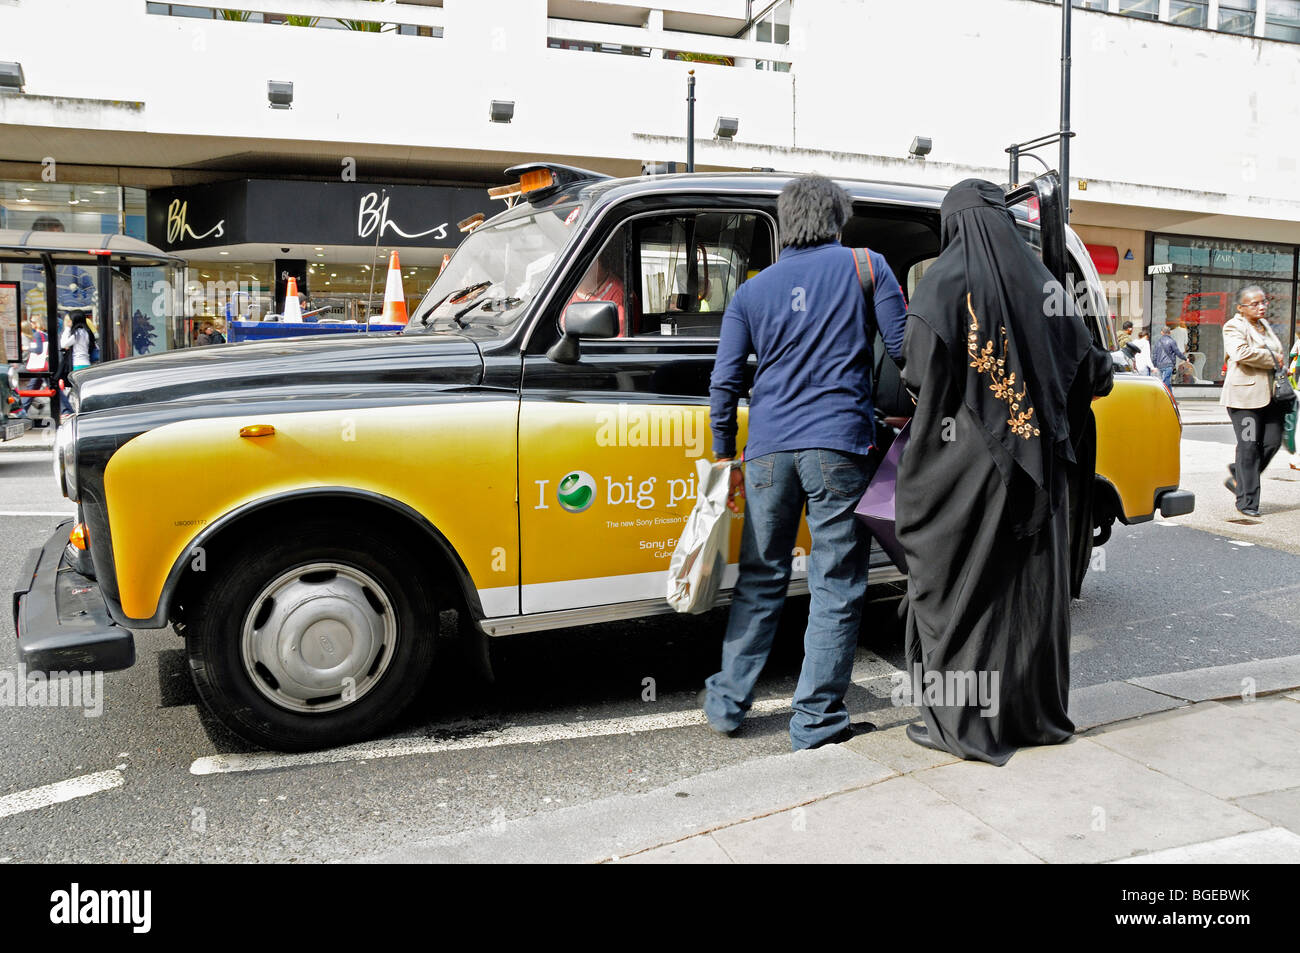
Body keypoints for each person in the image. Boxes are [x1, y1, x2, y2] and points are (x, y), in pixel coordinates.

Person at [895, 178, 1113, 765]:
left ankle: (965, 721)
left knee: (962, 592)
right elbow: (1096, 373)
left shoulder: (940, 284)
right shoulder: (1046, 285)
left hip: (964, 473)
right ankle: (1032, 716)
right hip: (1040, 472)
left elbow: (914, 374)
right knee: (1029, 595)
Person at [703, 174, 907, 750]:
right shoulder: (867, 266)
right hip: (838, 447)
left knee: (761, 578)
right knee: (836, 582)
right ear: (837, 220)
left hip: (766, 451)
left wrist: (725, 453)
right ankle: (815, 720)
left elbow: (725, 383)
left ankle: (727, 702)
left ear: (786, 223)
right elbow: (905, 354)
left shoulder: (751, 291)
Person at [1222, 285, 1286, 518]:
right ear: (1241, 307)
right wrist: (1274, 359)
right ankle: (1247, 501)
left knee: (1272, 443)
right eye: (1255, 303)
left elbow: (1275, 353)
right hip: (1243, 399)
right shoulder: (1233, 326)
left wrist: (1280, 363)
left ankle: (1239, 476)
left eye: (1264, 302)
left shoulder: (1264, 325)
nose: (1262, 306)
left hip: (1271, 397)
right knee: (1249, 447)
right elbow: (1241, 353)